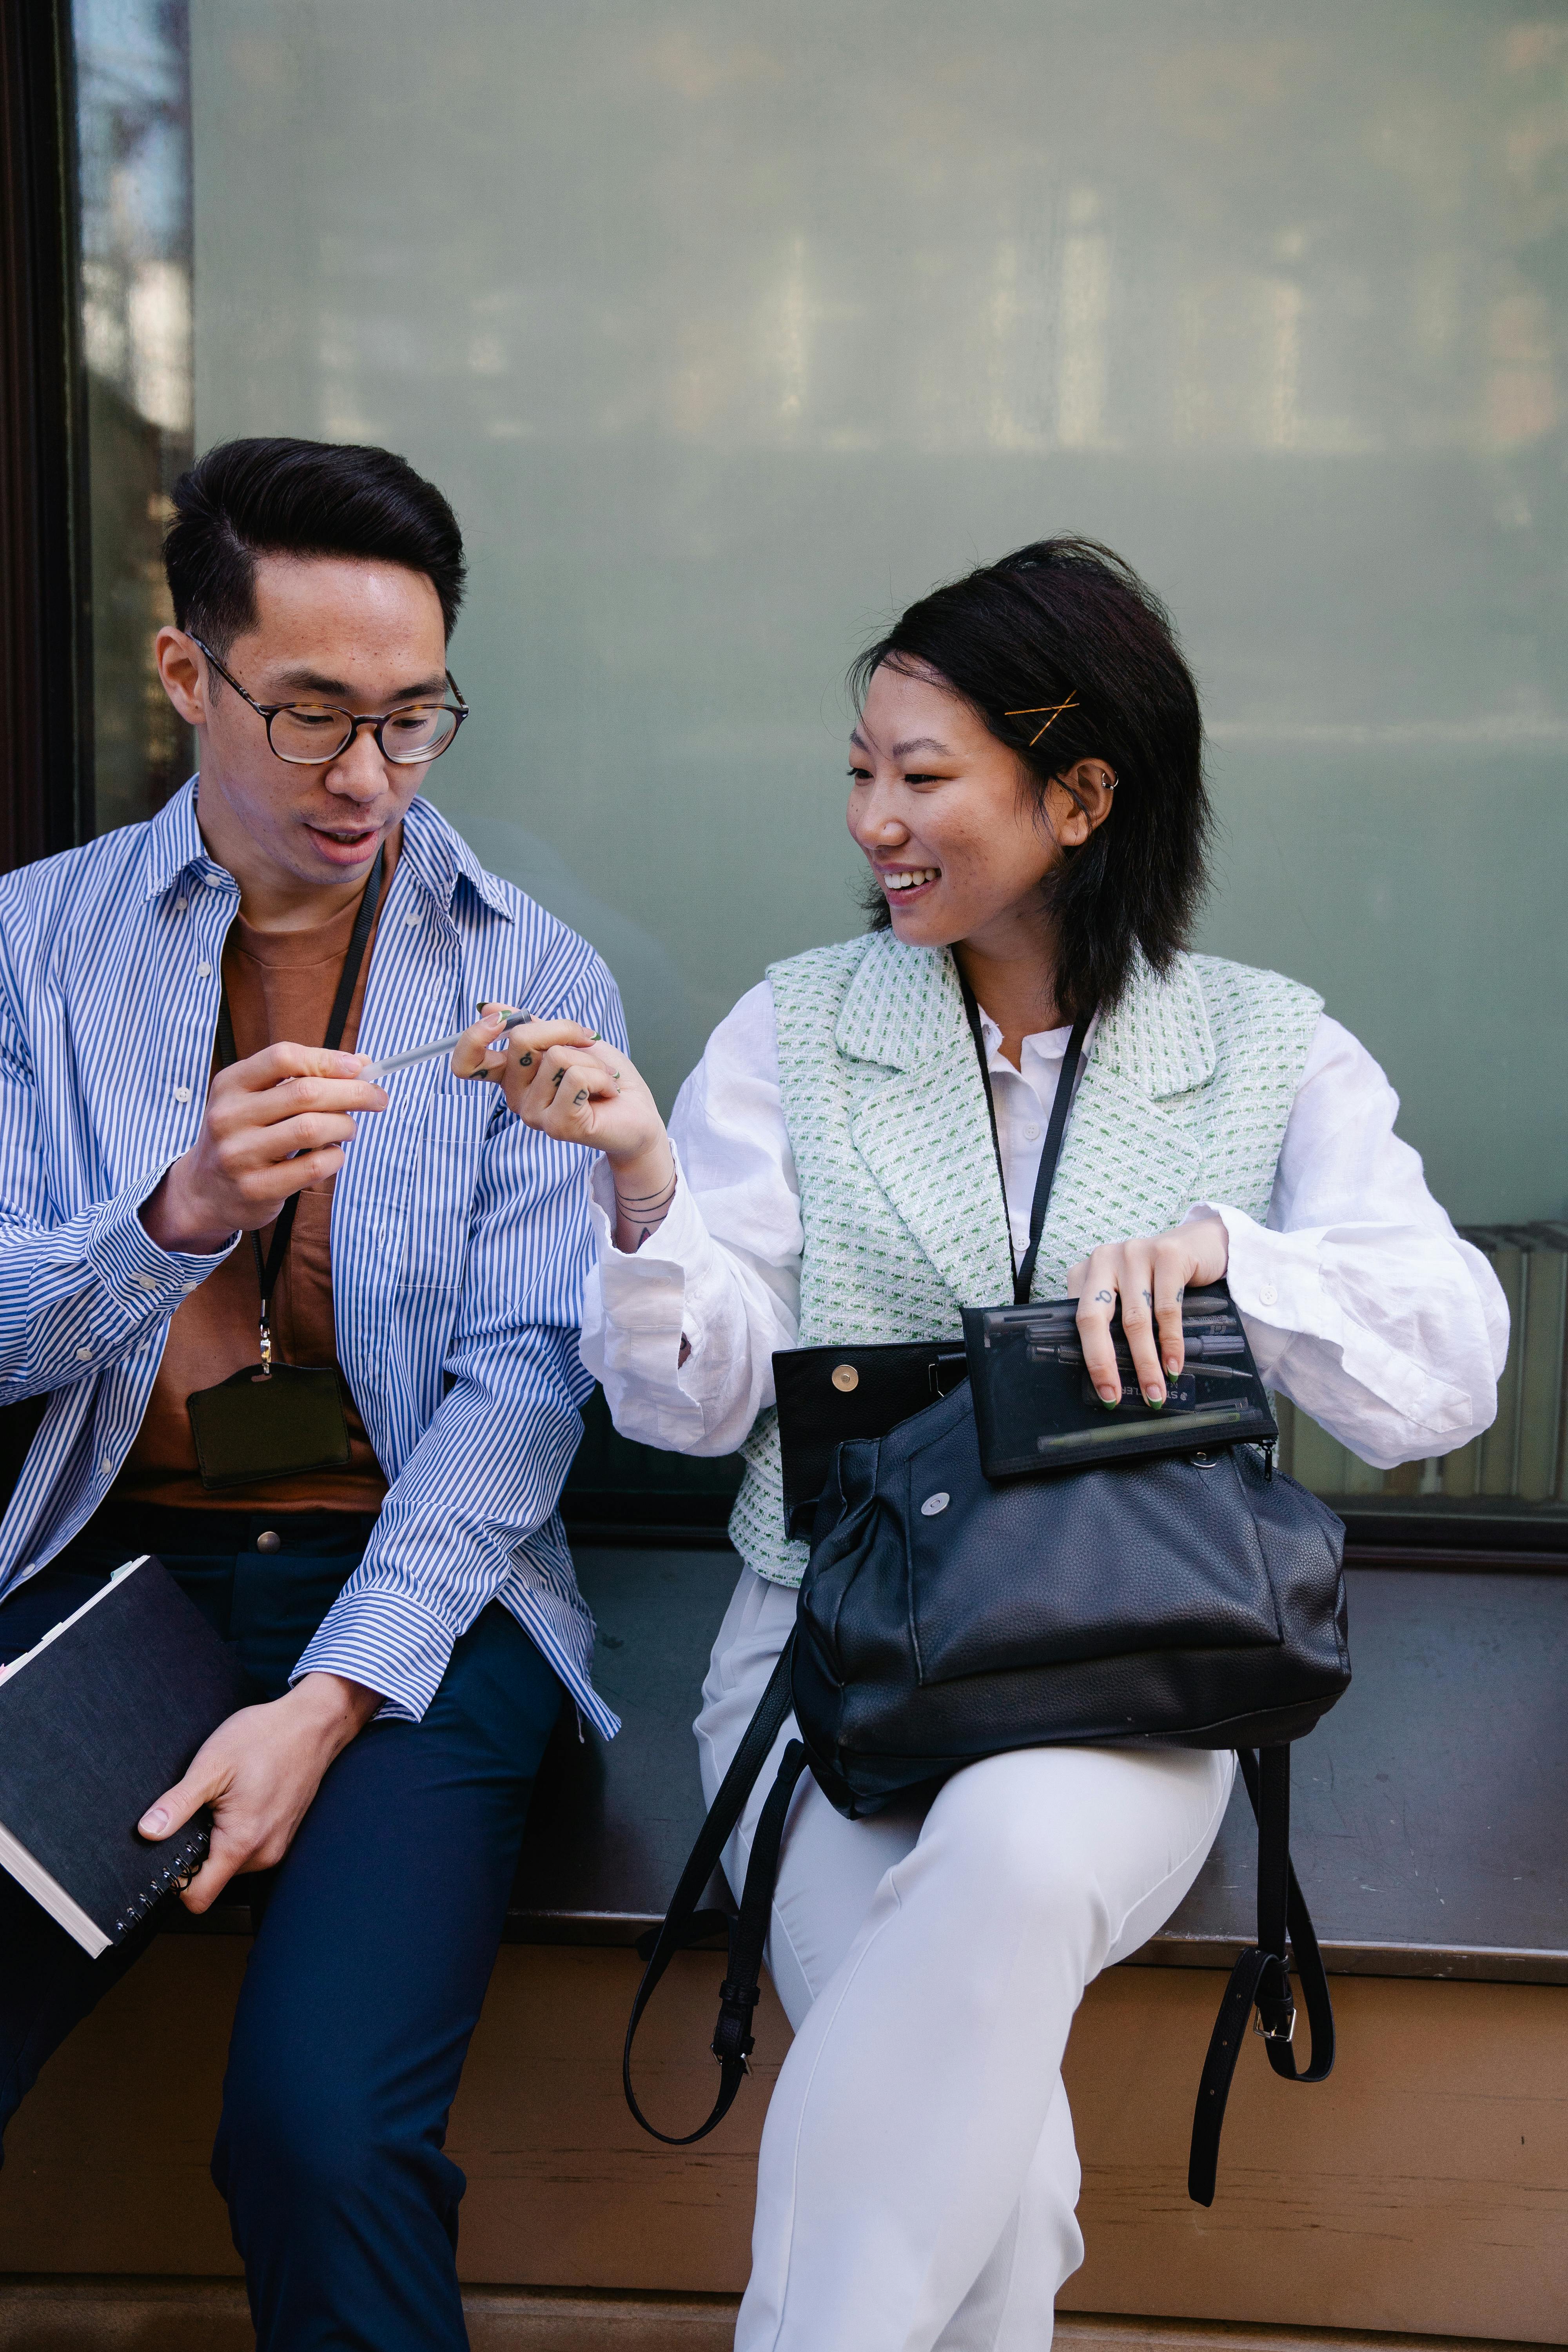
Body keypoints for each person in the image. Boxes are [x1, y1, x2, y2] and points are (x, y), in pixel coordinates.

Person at [454, 537, 1507, 2351]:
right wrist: (639, 1183)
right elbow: (689, 1407)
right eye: (861, 769)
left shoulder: (1272, 1050)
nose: (875, 817)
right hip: (820, 1670)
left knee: (1019, 1858)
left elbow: (1447, 1374)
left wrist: (1232, 1259)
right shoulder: (797, 1029)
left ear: (1082, 794)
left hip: (1126, 1685)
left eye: (923, 775)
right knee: (995, 2189)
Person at [0, 437, 626, 2351]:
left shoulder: (526, 970)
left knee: (321, 2132)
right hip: (120, 1588)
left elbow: (525, 1398)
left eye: (414, 718)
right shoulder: (30, 949)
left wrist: (329, 1700)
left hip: (426, 1610)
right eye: (314, 716)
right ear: (190, 677)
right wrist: (171, 1212)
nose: (369, 777)